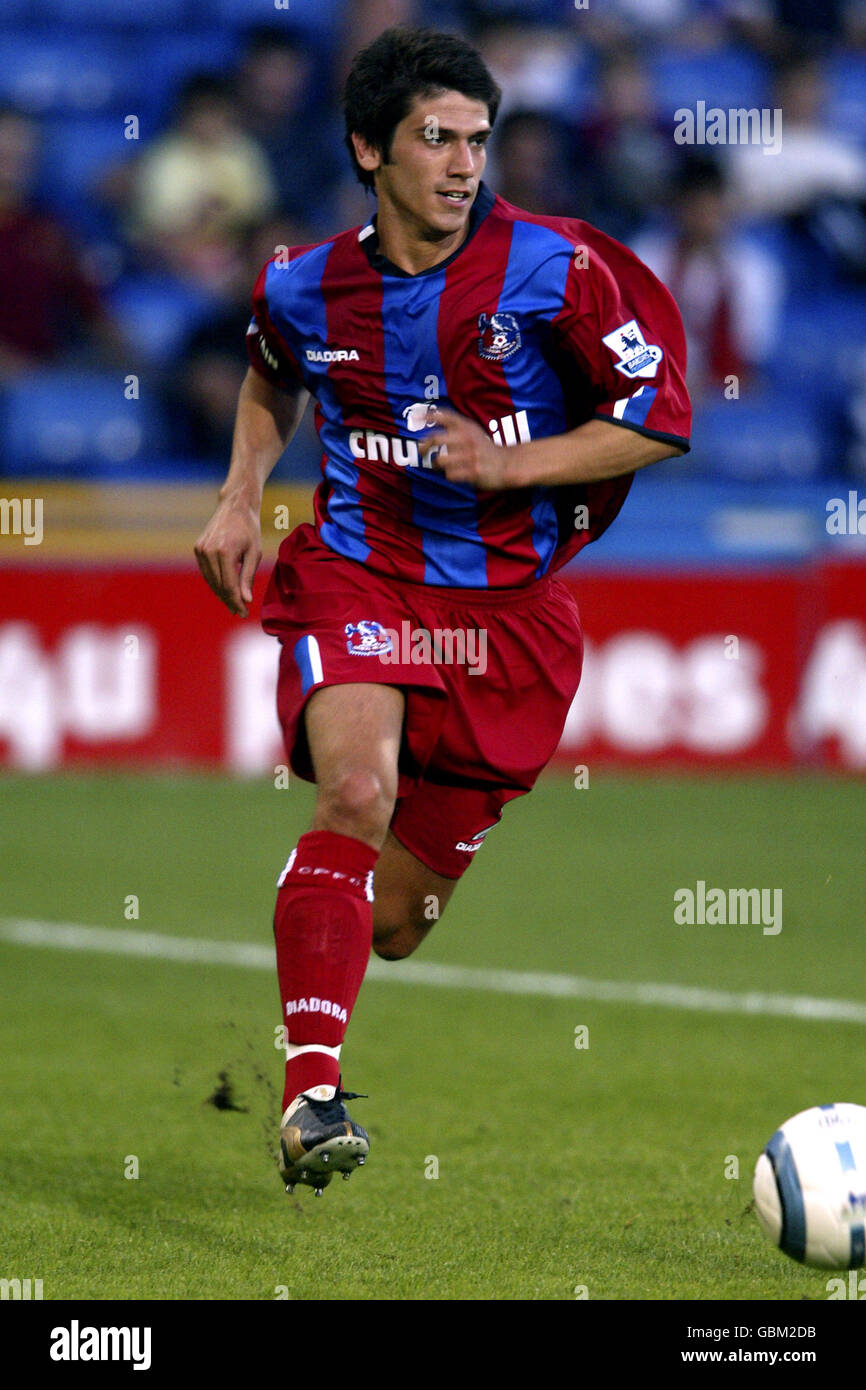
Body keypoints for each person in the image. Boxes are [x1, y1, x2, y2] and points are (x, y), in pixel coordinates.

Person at [194, 26, 691, 1198]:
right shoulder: (303, 280)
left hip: (509, 621)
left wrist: (514, 469)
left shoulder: (554, 272)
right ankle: (311, 1090)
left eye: (477, 138)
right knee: (353, 791)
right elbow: (274, 365)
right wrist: (235, 498)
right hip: (357, 573)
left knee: (399, 920)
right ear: (370, 148)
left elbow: (657, 417)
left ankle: (318, 926)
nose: (463, 163)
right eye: (435, 138)